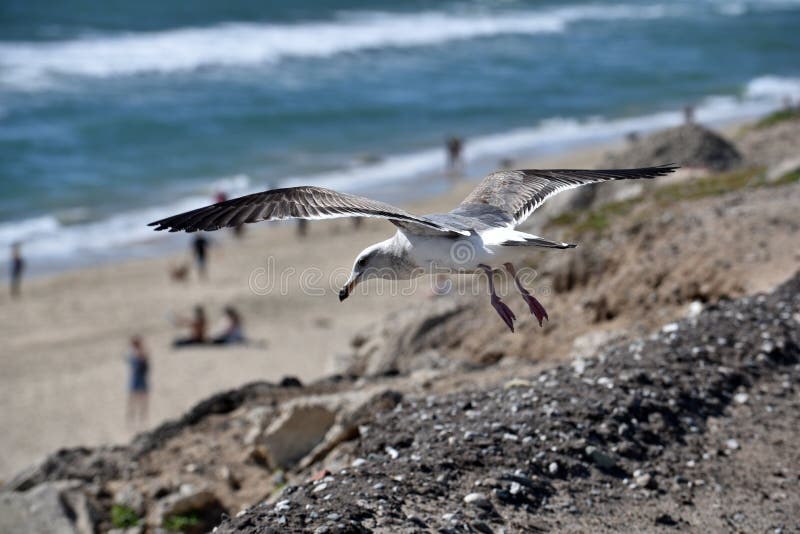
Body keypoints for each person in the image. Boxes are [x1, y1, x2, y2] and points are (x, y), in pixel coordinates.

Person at [126, 336, 150, 425]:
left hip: (140, 378)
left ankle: (142, 418)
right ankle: (132, 418)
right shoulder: (133, 353)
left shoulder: (139, 353)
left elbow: (146, 362)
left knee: (141, 400)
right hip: (136, 378)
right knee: (134, 400)